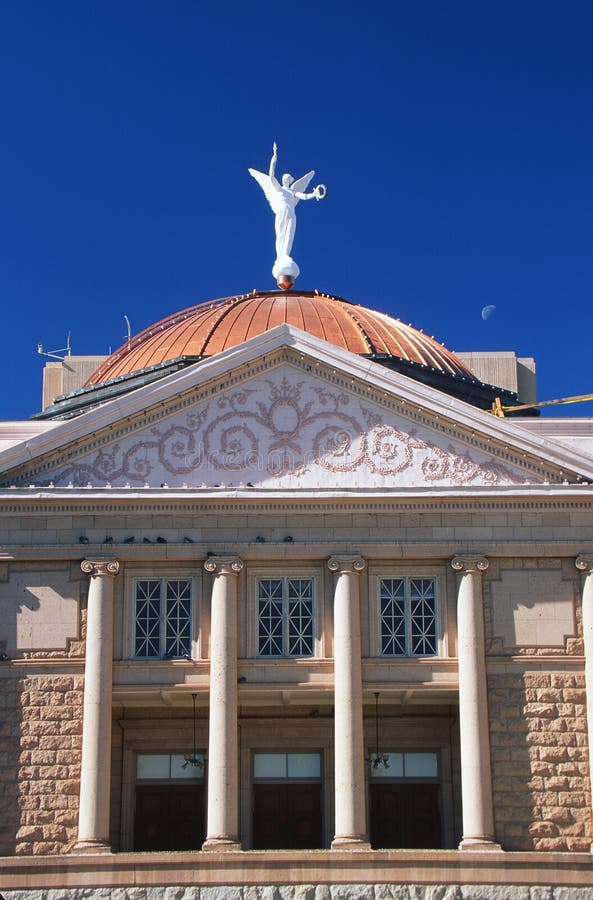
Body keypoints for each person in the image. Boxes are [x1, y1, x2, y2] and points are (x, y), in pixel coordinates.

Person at [249, 143, 326, 281]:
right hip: (281, 211)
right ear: (285, 180)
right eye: (288, 178)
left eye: (290, 179)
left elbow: (304, 196)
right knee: (281, 234)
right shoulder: (279, 189)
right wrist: (274, 159)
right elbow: (271, 176)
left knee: (289, 233)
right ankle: (280, 257)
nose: (290, 180)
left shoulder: (293, 191)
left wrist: (314, 194)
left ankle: (285, 254)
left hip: (291, 212)